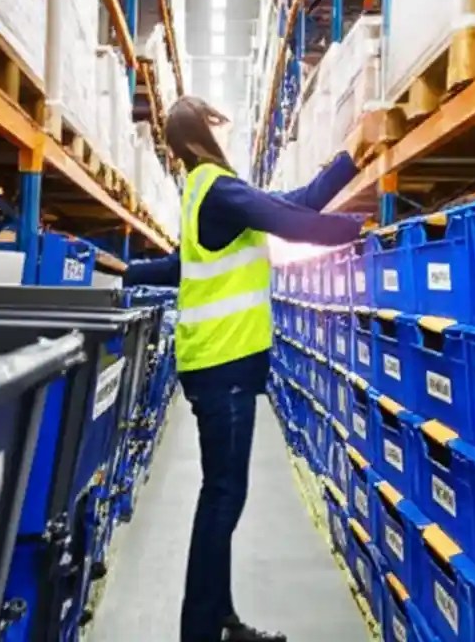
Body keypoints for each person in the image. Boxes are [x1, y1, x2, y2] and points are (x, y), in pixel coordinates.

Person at [124, 97, 366, 642]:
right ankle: (201, 630)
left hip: (214, 363)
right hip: (223, 366)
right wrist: (358, 230)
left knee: (221, 493)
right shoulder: (218, 188)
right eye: (217, 125)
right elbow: (291, 222)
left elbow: (295, 202)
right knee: (223, 496)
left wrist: (352, 159)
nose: (223, 136)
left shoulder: (205, 193)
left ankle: (220, 619)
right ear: (202, 134)